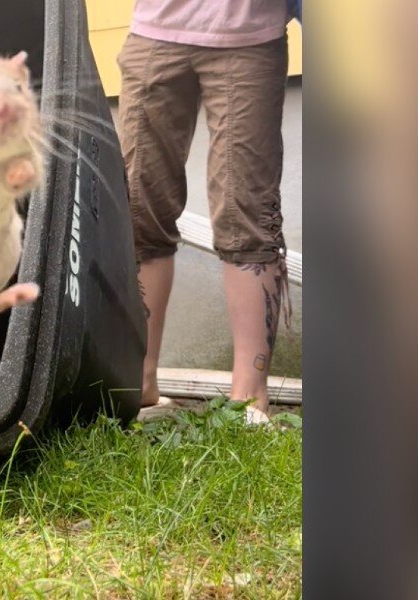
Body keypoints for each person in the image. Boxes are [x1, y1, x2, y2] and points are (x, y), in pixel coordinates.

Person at [116, 0, 293, 422]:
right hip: (156, 31)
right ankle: (140, 383)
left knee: (247, 212)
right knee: (139, 209)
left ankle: (249, 402)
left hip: (249, 34)